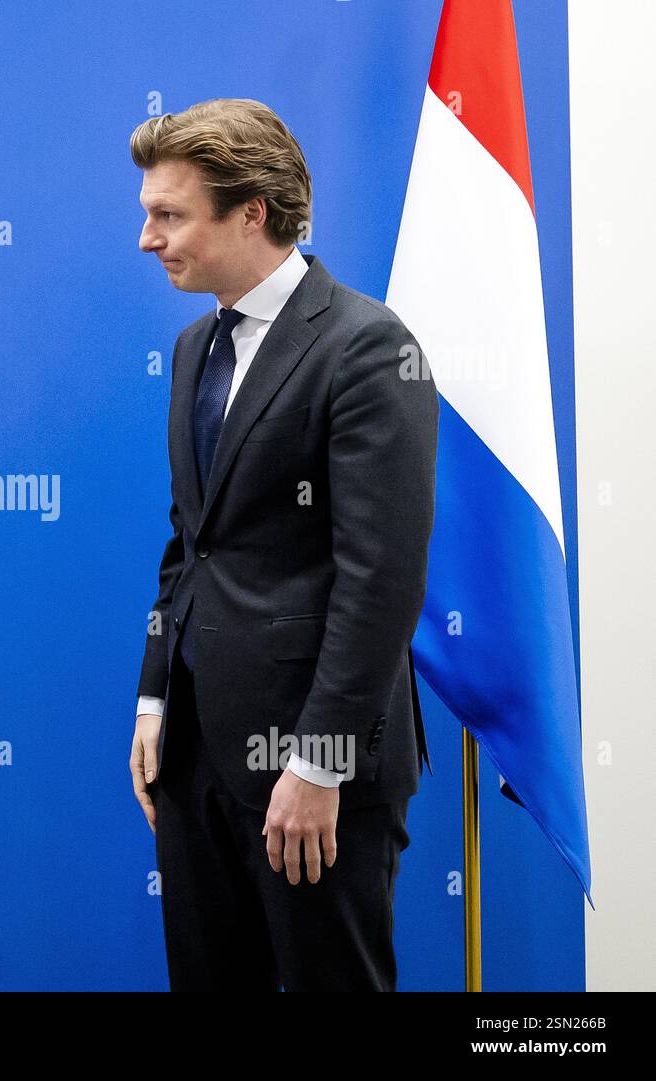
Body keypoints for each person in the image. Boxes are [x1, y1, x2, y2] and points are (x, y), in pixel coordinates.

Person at [127, 99, 437, 991]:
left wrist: (319, 763)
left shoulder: (369, 348)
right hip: (195, 759)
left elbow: (381, 581)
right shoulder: (195, 347)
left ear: (250, 213)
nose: (148, 238)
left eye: (169, 214)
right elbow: (192, 542)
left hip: (315, 769)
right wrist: (155, 699)